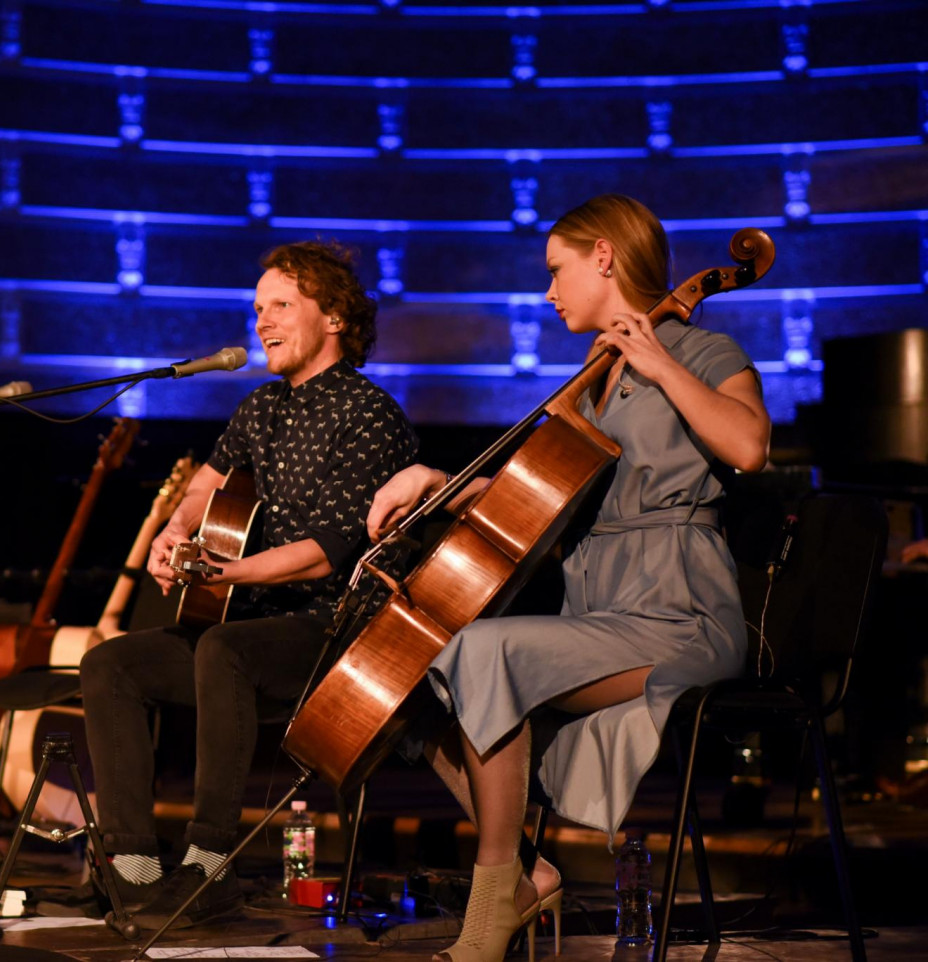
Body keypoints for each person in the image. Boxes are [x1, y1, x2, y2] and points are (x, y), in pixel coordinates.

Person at [367, 194, 770, 962]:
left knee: (486, 656)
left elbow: (748, 447)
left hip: (682, 615)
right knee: (421, 684)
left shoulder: (703, 352)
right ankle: (522, 875)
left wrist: (657, 359)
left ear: (605, 258)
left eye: (557, 270)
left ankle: (491, 915)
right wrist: (431, 479)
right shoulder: (592, 382)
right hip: (603, 613)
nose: (548, 292)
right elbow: (535, 493)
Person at [78, 241, 418, 927]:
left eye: (281, 306)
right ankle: (137, 868)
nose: (262, 321)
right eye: (258, 308)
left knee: (221, 650)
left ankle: (208, 865)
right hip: (243, 630)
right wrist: (174, 535)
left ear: (335, 318)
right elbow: (202, 491)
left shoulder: (371, 415)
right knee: (111, 663)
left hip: (332, 632)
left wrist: (229, 571)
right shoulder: (259, 408)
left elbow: (326, 554)